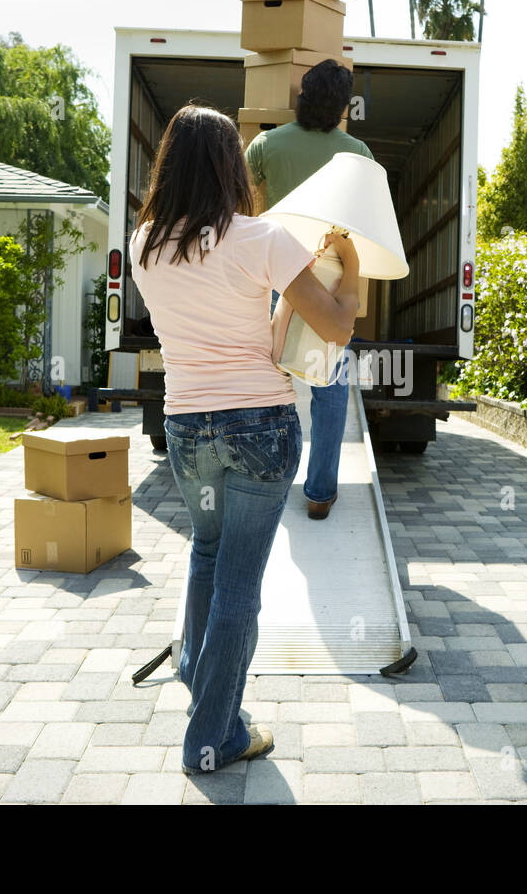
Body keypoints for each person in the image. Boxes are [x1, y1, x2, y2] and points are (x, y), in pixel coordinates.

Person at [129, 103, 360, 774]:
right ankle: (214, 737)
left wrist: (287, 289)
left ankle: (202, 690)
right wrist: (346, 262)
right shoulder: (260, 238)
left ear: (169, 163)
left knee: (206, 553)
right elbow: (336, 328)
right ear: (233, 164)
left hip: (187, 429)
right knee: (238, 584)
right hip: (258, 426)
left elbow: (242, 325)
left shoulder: (145, 244)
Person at [246, 58, 375, 521]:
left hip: (278, 274)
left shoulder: (264, 146)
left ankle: (264, 479)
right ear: (343, 107)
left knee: (269, 378)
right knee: (330, 385)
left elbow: (249, 210)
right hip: (332, 281)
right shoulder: (358, 153)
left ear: (301, 97)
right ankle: (319, 492)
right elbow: (365, 222)